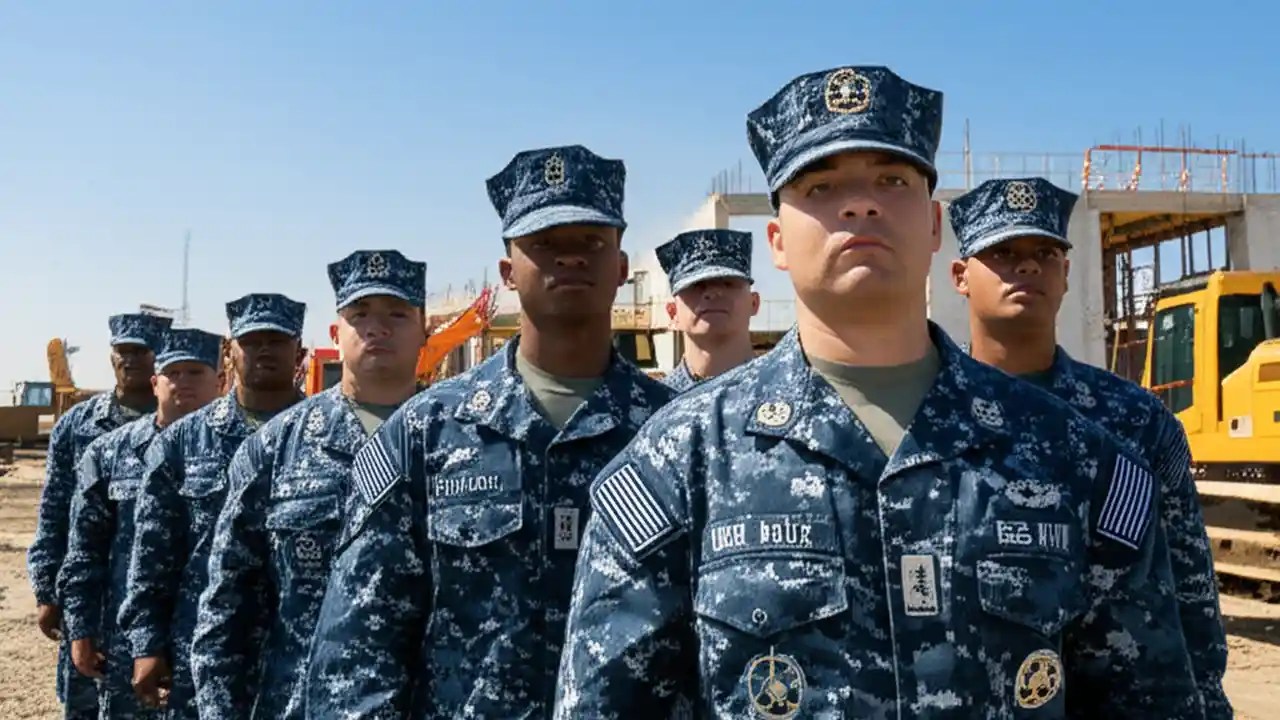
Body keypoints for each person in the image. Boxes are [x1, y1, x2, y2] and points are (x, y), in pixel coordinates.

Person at [554, 66, 1203, 718]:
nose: (859, 204)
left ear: (932, 225)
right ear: (777, 241)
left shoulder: (1073, 456)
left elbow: (1153, 699)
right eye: (822, 184)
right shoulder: (679, 460)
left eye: (891, 181)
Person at [306, 145, 676, 718]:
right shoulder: (427, 433)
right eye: (545, 244)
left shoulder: (678, 432)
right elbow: (360, 643)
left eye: (591, 242)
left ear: (623, 268)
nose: (570, 258)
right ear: (507, 273)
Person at [948, 176, 1231, 718]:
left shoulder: (1135, 420)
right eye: (1003, 252)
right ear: (961, 276)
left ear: (1066, 273)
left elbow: (1188, 580)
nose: (1027, 266)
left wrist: (1209, 702)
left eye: (1045, 253)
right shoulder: (927, 415)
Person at [190, 250, 428, 720]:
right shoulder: (276, 448)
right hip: (300, 705)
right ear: (336, 335)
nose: (377, 328)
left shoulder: (462, 441)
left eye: (397, 314)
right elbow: (227, 602)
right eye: (360, 315)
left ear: (425, 331)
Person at [118, 294, 306, 718]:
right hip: (202, 648)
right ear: (230, 351)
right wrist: (147, 643)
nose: (263, 350)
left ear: (301, 352)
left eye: (275, 341)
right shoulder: (182, 442)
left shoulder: (326, 435)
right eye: (251, 341)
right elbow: (152, 553)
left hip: (300, 648)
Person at [57, 328, 223, 718]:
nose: (182, 383)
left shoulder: (244, 450)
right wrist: (79, 629)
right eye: (172, 373)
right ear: (155, 382)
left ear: (219, 380)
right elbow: (85, 549)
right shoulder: (109, 452)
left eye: (194, 372)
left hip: (213, 636)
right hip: (125, 637)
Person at [29, 312, 171, 719]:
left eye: (141, 351)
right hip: (92, 596)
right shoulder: (78, 426)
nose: (130, 360)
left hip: (152, 600)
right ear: (111, 357)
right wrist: (46, 591)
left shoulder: (178, 422)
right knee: (87, 699)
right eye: (122, 351)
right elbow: (55, 510)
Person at [655, 228, 760, 391]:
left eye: (728, 283)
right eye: (696, 286)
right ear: (673, 312)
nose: (712, 293)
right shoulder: (653, 405)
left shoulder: (786, 392)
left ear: (754, 303)